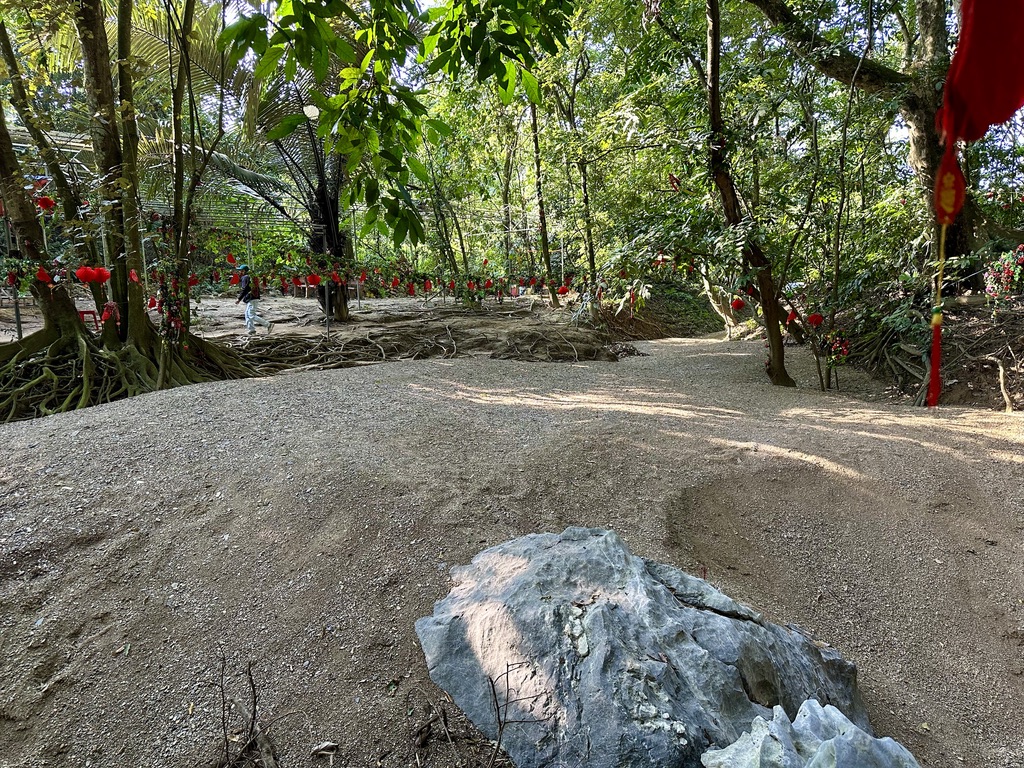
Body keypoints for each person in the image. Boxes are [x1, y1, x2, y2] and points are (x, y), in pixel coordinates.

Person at [235, 265, 273, 335]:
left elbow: (245, 289)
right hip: (253, 298)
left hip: (252, 298)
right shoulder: (250, 277)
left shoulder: (246, 277)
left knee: (251, 315)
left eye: (240, 271)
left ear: (244, 271)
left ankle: (268, 325)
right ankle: (251, 330)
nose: (239, 272)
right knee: (247, 315)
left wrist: (239, 299)